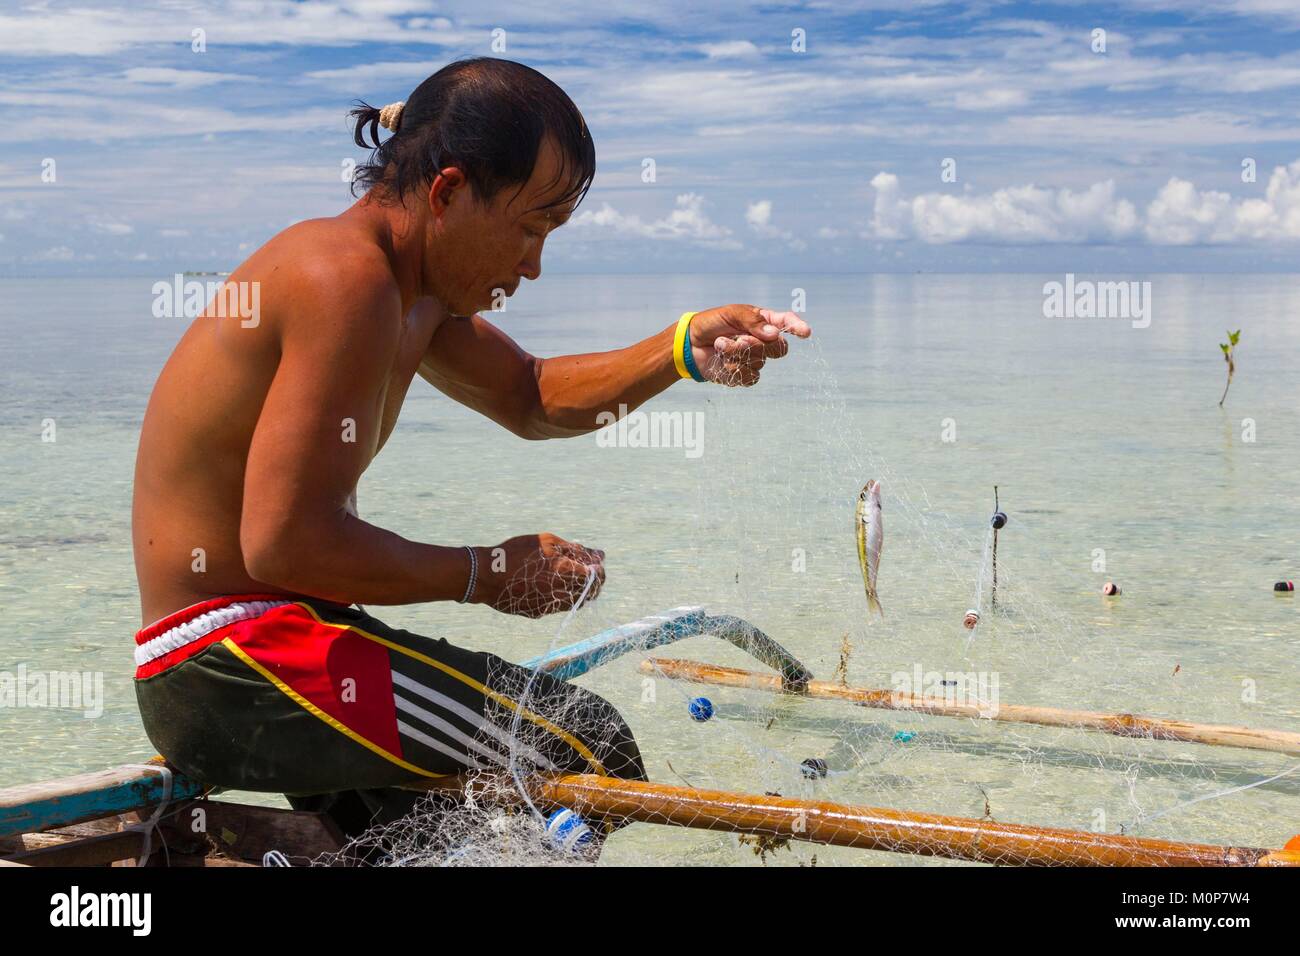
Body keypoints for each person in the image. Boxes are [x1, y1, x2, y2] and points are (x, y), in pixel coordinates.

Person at [130, 56, 811, 855]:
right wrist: (485, 574)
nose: (532, 265)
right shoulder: (342, 277)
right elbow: (285, 542)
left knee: (424, 838)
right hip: (230, 661)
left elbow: (529, 395)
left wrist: (683, 347)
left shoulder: (413, 291)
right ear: (448, 191)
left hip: (277, 650)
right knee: (588, 746)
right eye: (529, 228)